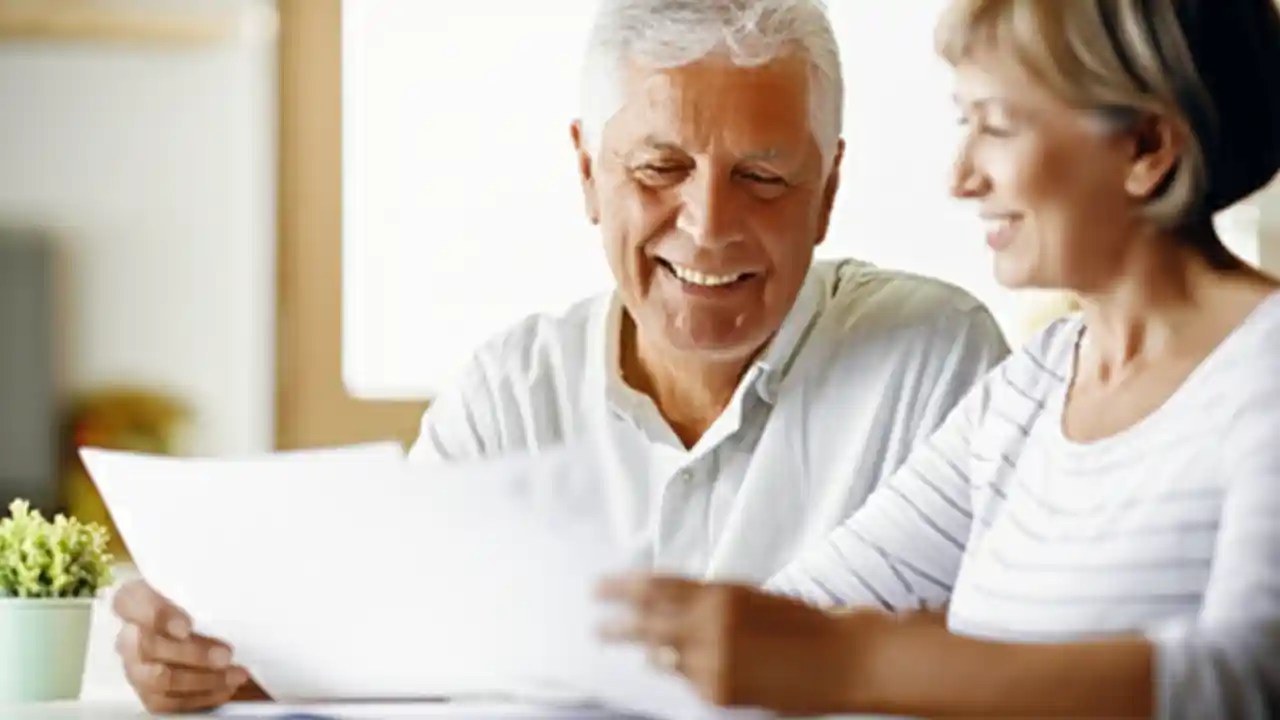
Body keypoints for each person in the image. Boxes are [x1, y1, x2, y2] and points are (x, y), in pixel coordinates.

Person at [109, 0, 1010, 713]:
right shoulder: (507, 395)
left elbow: (1020, 670)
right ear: (587, 173)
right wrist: (220, 665)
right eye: (660, 168)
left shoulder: (935, 365)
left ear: (829, 192)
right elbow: (386, 657)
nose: (708, 225)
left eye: (764, 178)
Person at [603, 0, 1280, 717]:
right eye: (966, 124)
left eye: (995, 125)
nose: (961, 178)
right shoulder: (1036, 385)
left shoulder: (1263, 371)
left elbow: (1249, 677)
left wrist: (858, 663)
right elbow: (809, 608)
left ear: (1147, 147)